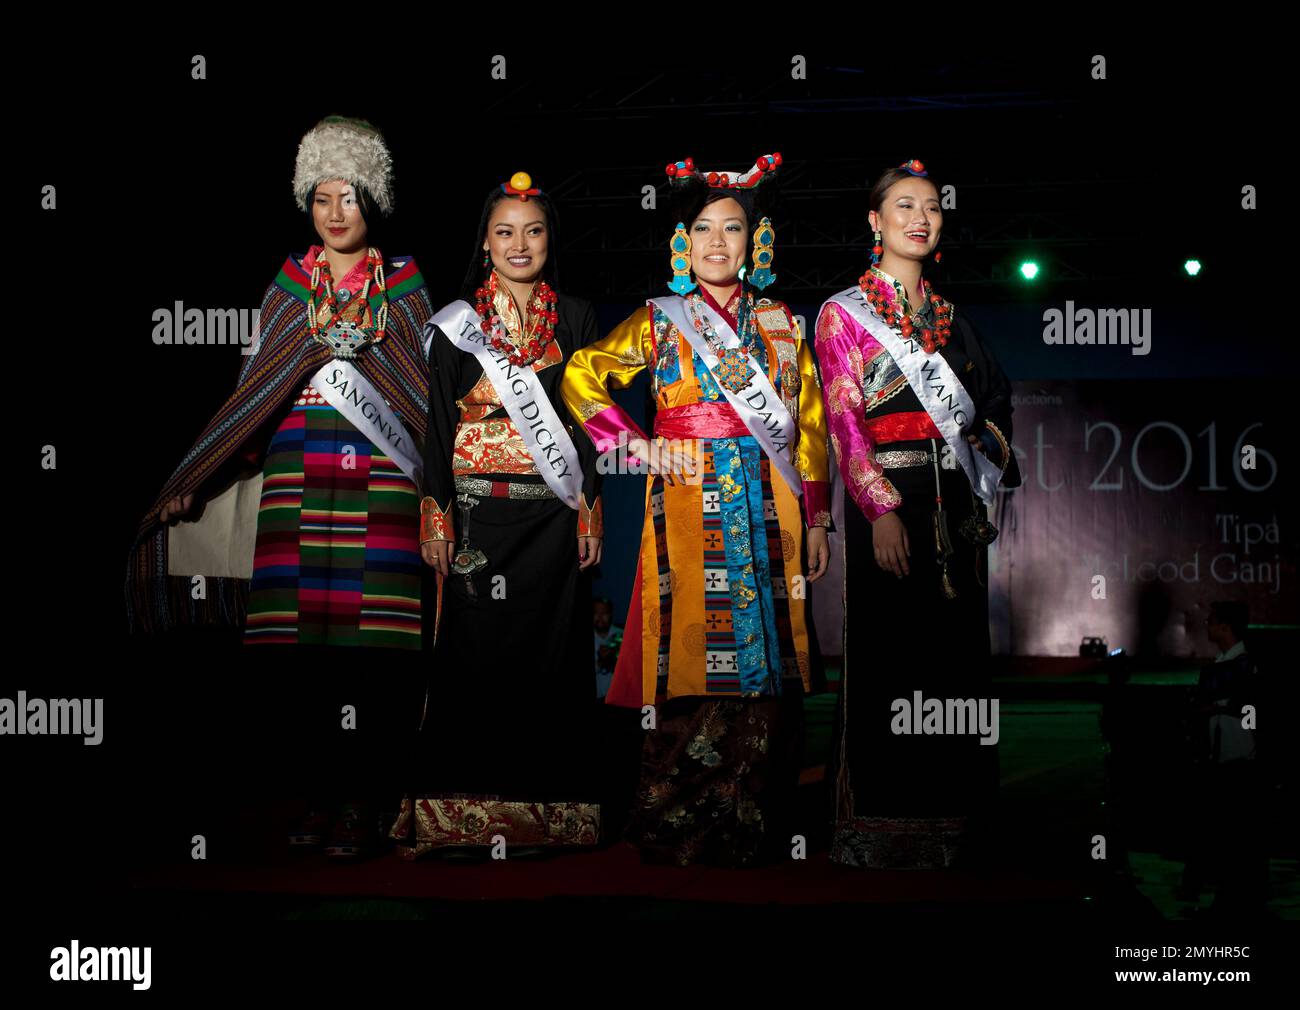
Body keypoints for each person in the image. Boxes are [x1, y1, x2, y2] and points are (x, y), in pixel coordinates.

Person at [126, 116, 434, 859]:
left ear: (374, 202)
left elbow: (426, 399)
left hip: (384, 488)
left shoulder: (408, 288)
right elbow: (249, 399)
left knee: (374, 654)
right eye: (322, 197)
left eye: (350, 196)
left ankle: (366, 803)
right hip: (297, 481)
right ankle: (318, 797)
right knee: (305, 657)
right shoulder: (286, 289)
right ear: (308, 203)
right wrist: (199, 480)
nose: (335, 213)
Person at [562, 153, 832, 867]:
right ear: (684, 243)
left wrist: (820, 517)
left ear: (755, 241)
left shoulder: (783, 325)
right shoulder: (658, 322)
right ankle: (675, 822)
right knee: (686, 651)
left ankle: (754, 823)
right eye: (704, 229)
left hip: (769, 503)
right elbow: (581, 374)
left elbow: (808, 423)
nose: (719, 243)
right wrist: (632, 444)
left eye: (733, 229)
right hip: (683, 506)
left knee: (768, 655)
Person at [390, 172, 604, 858]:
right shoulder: (458, 326)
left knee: (553, 660)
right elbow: (434, 427)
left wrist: (590, 512)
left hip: (551, 520)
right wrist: (436, 516)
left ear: (550, 241)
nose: (520, 244)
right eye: (505, 231)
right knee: (473, 662)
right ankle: (462, 809)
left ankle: (554, 813)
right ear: (485, 242)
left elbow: (587, 427)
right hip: (480, 521)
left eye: (533, 231)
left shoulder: (576, 318)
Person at [815, 159, 1021, 869]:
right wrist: (879, 511)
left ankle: (955, 818)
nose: (920, 217)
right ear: (876, 221)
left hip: (956, 512)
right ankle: (881, 819)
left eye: (932, 206)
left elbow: (994, 406)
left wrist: (982, 474)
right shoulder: (843, 315)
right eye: (904, 205)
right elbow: (844, 421)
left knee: (954, 660)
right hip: (893, 506)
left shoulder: (957, 325)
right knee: (892, 655)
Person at [1181, 600, 1267, 914]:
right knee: (1227, 831)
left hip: (1240, 760)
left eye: (1211, 622)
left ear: (1225, 626)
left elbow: (1252, 712)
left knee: (1235, 832)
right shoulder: (1225, 665)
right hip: (1225, 758)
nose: (1206, 626)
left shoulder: (1246, 666)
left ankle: (1236, 896)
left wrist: (1217, 707)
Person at [593, 597, 623, 700]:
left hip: (620, 698)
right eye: (596, 613)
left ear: (610, 615)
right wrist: (600, 662)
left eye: (604, 613)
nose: (600, 617)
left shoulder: (622, 635)